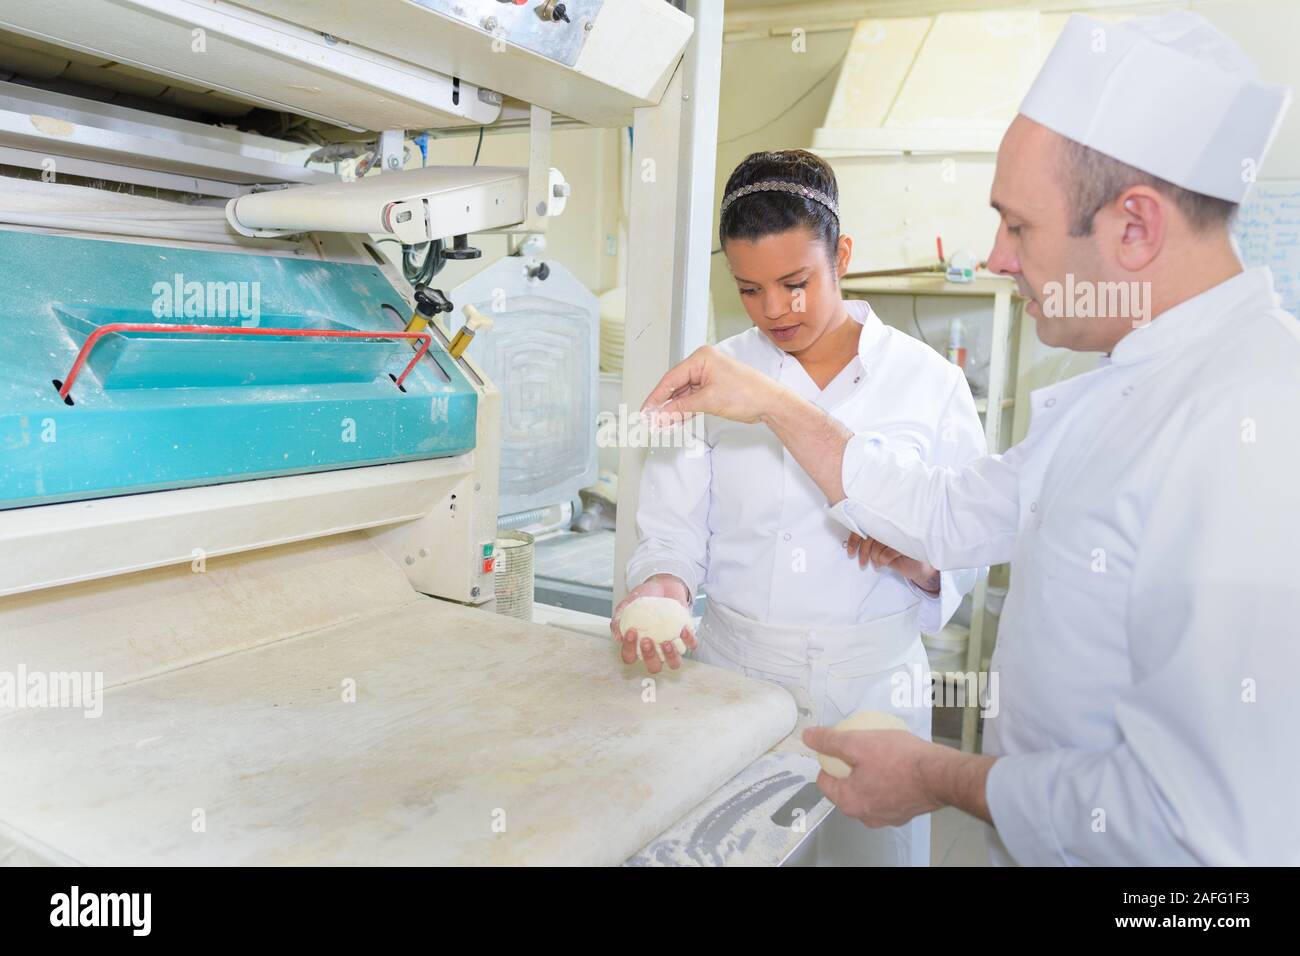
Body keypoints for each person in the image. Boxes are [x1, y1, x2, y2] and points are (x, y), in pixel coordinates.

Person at [640, 12, 1300, 865]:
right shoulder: (1126, 390)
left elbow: (1198, 828)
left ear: (1135, 227)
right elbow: (949, 513)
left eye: (1017, 225)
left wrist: (942, 777)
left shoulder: (1254, 420)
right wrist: (773, 402)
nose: (994, 258)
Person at [612, 149, 986, 867]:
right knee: (732, 852)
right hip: (735, 678)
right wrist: (662, 585)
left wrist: (924, 562)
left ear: (841, 254)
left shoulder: (927, 382)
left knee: (871, 859)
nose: (775, 311)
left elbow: (971, 538)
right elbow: (671, 532)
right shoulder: (714, 378)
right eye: (749, 290)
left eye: (796, 283)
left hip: (873, 680)